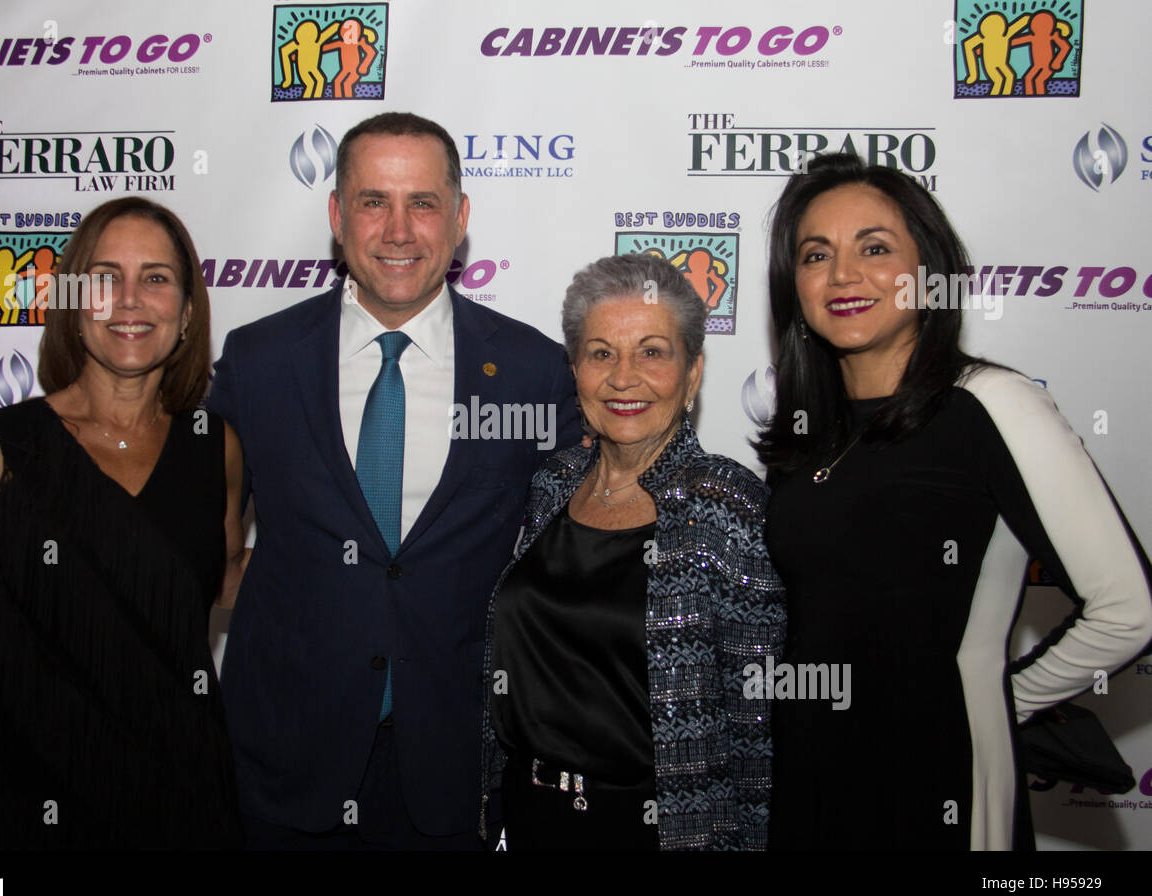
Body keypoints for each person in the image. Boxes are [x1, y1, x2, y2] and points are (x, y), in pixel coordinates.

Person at [758, 153, 1152, 850]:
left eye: (874, 248)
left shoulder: (992, 405)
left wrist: (1000, 700)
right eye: (816, 254)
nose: (844, 274)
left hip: (936, 776)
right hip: (808, 773)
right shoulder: (807, 428)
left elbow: (1129, 608)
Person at [208, 112, 579, 850]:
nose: (399, 229)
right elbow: (197, 550)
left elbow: (574, 561)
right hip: (285, 764)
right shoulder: (258, 362)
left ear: (461, 217)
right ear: (337, 216)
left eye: (424, 202)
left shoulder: (534, 371)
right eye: (374, 201)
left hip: (455, 773)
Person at [0, 197, 244, 850]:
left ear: (187, 313)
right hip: (24, 810)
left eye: (156, 278)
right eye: (106, 277)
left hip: (185, 806)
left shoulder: (216, 446)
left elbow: (219, 582)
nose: (130, 300)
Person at [479, 253, 787, 850]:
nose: (624, 378)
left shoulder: (730, 509)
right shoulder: (554, 482)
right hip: (527, 813)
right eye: (601, 353)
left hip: (658, 830)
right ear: (575, 370)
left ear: (692, 372)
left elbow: (758, 730)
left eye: (652, 351)